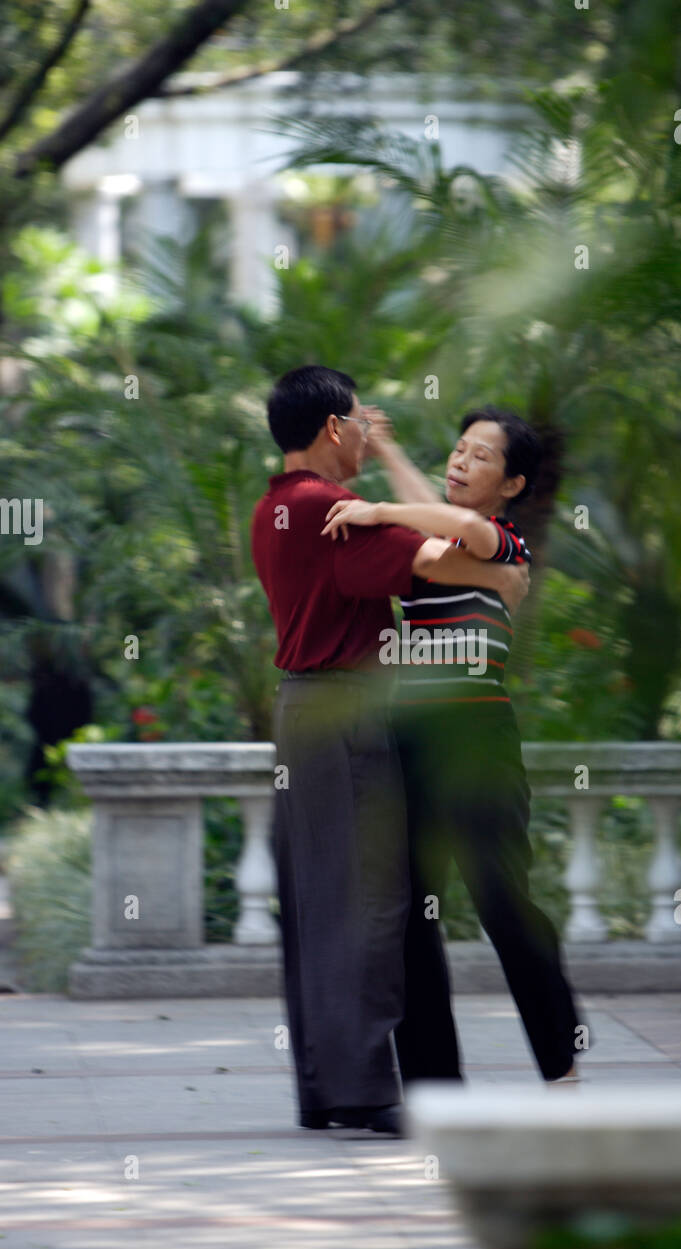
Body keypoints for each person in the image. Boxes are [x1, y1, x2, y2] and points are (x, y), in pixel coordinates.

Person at [250, 367, 530, 1135]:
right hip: (346, 711)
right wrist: (506, 577)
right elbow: (436, 553)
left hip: (300, 711)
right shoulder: (332, 507)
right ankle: (370, 1091)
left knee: (316, 905)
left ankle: (326, 1089)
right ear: (336, 429)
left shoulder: (273, 506)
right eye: (357, 425)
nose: (366, 437)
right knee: (375, 903)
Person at [321, 405, 584, 1087]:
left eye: (482, 457)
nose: (462, 462)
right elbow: (431, 515)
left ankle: (560, 1063)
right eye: (459, 450)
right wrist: (385, 450)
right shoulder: (445, 554)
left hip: (480, 745)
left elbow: (459, 525)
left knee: (503, 902)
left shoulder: (505, 545)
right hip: (409, 745)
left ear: (514, 485)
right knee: (409, 913)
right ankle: (435, 1085)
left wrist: (375, 509)